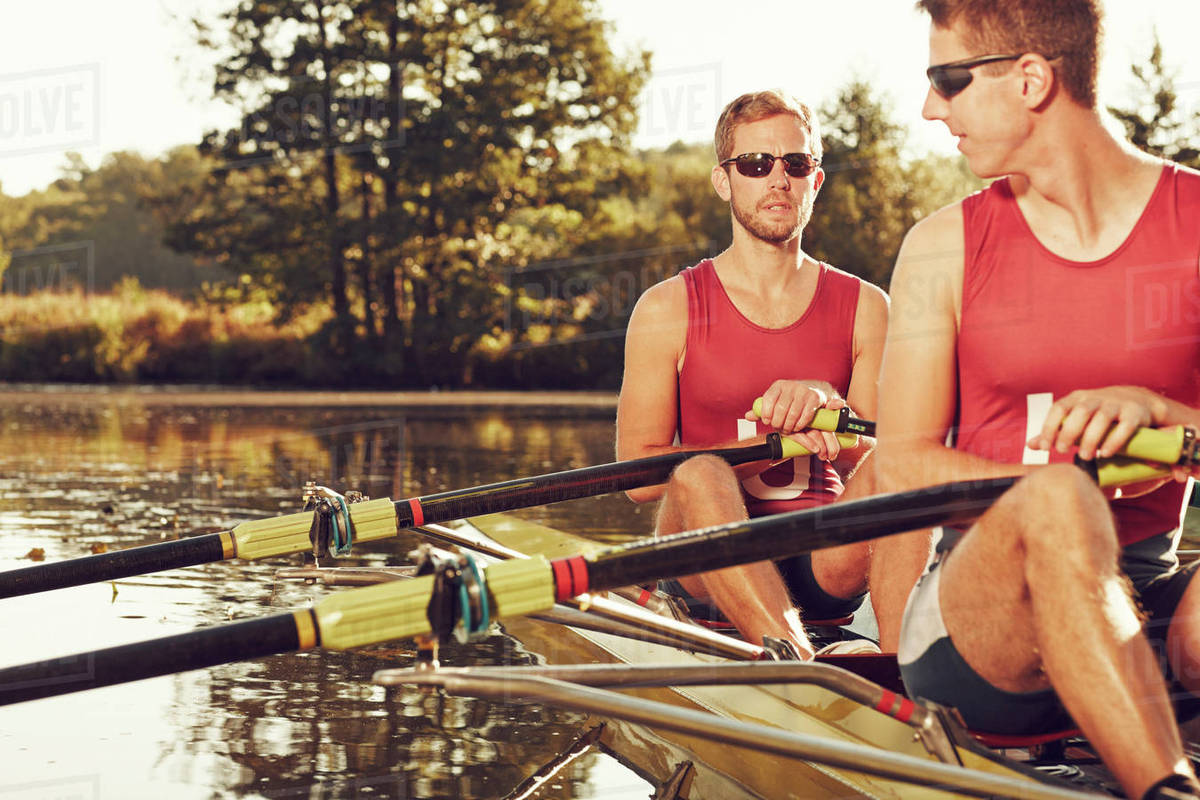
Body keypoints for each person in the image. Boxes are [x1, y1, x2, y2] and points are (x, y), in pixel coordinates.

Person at [877, 1, 1200, 797]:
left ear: (1029, 80)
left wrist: (1171, 420)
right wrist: (1061, 495)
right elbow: (900, 464)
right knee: (1056, 497)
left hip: (1152, 603)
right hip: (983, 629)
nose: (930, 108)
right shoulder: (941, 246)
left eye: (947, 80)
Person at [616, 90, 924, 659]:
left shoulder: (867, 307)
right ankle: (798, 661)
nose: (778, 179)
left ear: (815, 180)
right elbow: (638, 478)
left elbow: (878, 456)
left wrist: (833, 411)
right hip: (704, 570)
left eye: (796, 164)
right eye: (756, 164)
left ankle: (902, 672)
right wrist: (770, 442)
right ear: (724, 181)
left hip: (824, 566)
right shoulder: (667, 308)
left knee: (899, 462)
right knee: (699, 473)